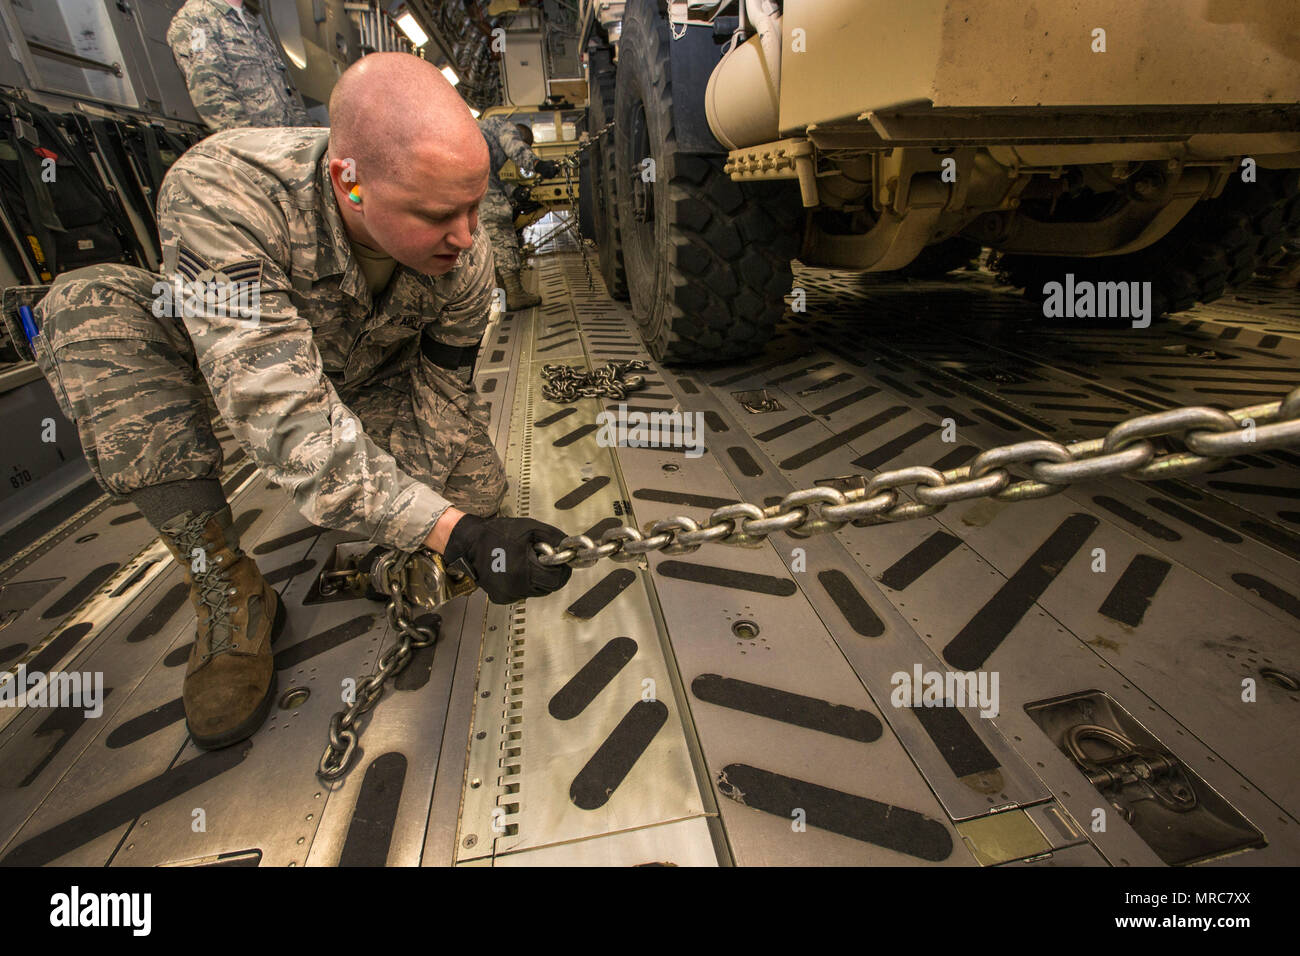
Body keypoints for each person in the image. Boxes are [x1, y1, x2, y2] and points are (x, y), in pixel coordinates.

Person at [25, 53, 570, 751]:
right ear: (352, 182)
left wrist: (449, 513)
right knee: (89, 309)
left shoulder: (464, 255)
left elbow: (442, 389)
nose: (466, 237)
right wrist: (454, 535)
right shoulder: (224, 193)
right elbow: (284, 413)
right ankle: (226, 589)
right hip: (237, 366)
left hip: (364, 375)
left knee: (475, 491)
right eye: (438, 215)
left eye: (474, 206)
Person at [167, 0, 312, 132]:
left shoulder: (250, 21)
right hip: (258, 150)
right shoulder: (196, 18)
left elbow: (284, 95)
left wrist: (307, 137)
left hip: (286, 144)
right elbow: (215, 98)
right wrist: (253, 149)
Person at [476, 114, 560, 310]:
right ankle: (515, 294)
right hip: (475, 179)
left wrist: (515, 192)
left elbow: (492, 179)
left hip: (462, 181)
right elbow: (514, 147)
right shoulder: (503, 126)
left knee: (482, 239)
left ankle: (501, 293)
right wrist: (538, 165)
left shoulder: (481, 134)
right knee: (500, 228)